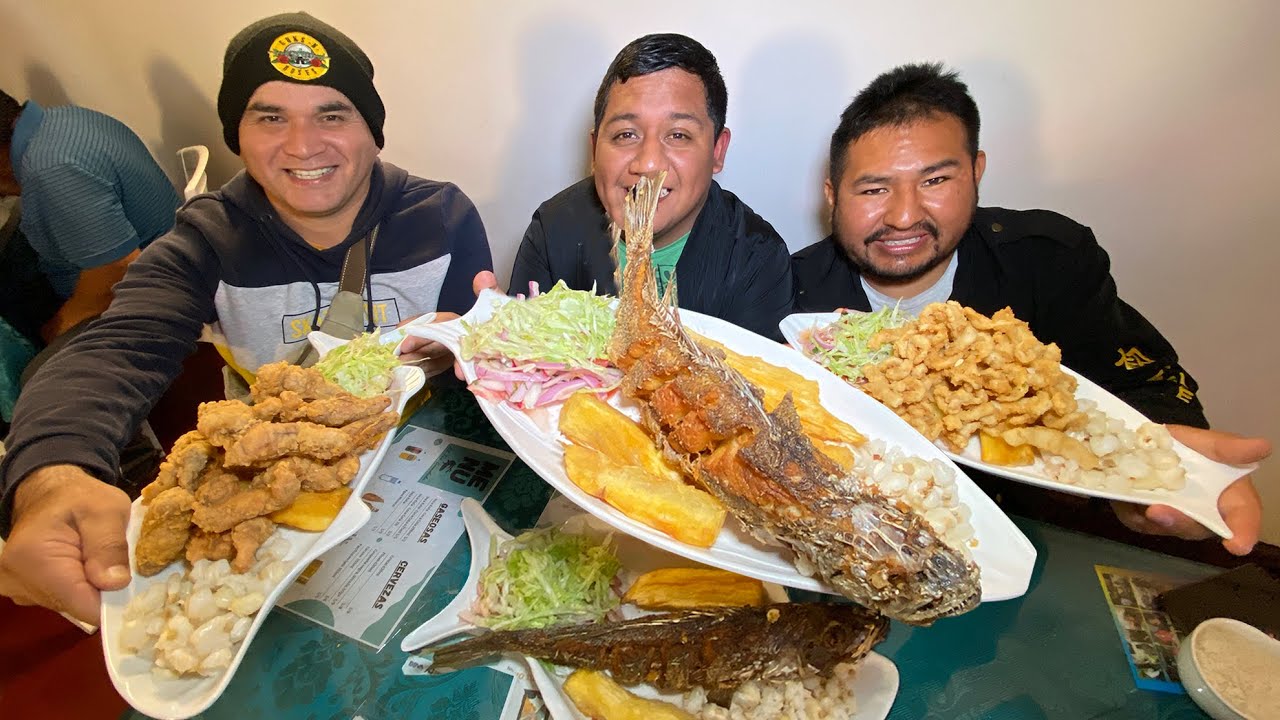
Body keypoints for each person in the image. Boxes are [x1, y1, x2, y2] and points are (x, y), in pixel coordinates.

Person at [0, 12, 492, 622]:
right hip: (274, 488)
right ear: (238, 134)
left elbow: (477, 362)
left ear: (372, 129)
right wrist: (51, 470)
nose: (303, 145)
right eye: (270, 117)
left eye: (332, 114)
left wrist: (456, 350)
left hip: (415, 468)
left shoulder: (442, 219)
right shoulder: (205, 240)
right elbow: (119, 345)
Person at [792, 62, 1270, 554]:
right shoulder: (787, 292)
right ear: (832, 196)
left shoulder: (1048, 261)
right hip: (850, 546)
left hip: (1022, 542)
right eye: (874, 189)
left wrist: (1160, 471)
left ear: (977, 172)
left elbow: (1137, 382)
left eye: (935, 181)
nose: (905, 215)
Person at [507, 33, 793, 341]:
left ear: (717, 152)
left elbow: (757, 383)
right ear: (594, 151)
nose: (649, 164)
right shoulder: (554, 230)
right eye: (626, 135)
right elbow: (525, 361)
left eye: (679, 135)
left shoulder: (757, 257)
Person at [0, 89, 181, 344]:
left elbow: (118, 270)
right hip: (159, 246)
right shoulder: (61, 119)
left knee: (29, 372)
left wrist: (57, 328)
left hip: (145, 292)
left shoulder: (52, 173)